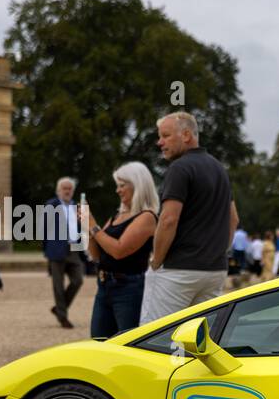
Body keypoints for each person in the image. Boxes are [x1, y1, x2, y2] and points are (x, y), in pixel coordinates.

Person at [142, 111, 237, 326]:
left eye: (165, 136)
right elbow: (234, 220)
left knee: (156, 338)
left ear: (186, 135)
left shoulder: (180, 168)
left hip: (178, 269)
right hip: (214, 270)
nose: (159, 142)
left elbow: (168, 220)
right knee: (200, 341)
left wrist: (156, 262)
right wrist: (217, 253)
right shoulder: (219, 168)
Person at [85, 161, 158, 338]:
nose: (118, 190)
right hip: (104, 285)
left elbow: (119, 250)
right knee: (98, 341)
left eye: (122, 185)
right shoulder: (117, 215)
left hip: (128, 288)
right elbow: (97, 255)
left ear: (138, 185)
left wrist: (94, 226)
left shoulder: (147, 217)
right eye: (117, 185)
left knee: (127, 342)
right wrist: (88, 231)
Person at [44, 176, 86, 329]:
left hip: (74, 249)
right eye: (64, 188)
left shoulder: (77, 206)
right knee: (58, 285)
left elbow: (81, 227)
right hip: (56, 250)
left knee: (78, 280)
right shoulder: (51, 205)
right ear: (58, 190)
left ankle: (59, 308)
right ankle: (63, 317)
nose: (67, 191)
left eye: (70, 189)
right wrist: (47, 250)